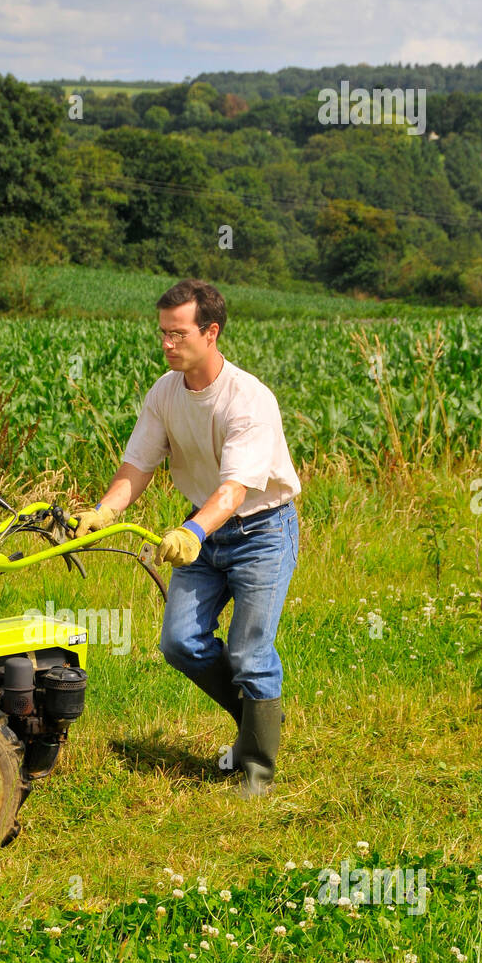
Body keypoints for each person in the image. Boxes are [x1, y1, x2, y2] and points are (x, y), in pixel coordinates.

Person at [73, 278, 301, 797]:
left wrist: (193, 530)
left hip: (261, 530)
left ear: (211, 332)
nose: (167, 344)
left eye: (177, 334)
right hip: (200, 528)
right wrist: (105, 510)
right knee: (179, 642)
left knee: (249, 652)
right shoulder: (165, 393)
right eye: (163, 333)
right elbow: (138, 462)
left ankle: (257, 770)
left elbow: (236, 489)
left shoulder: (248, 400)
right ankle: (257, 723)